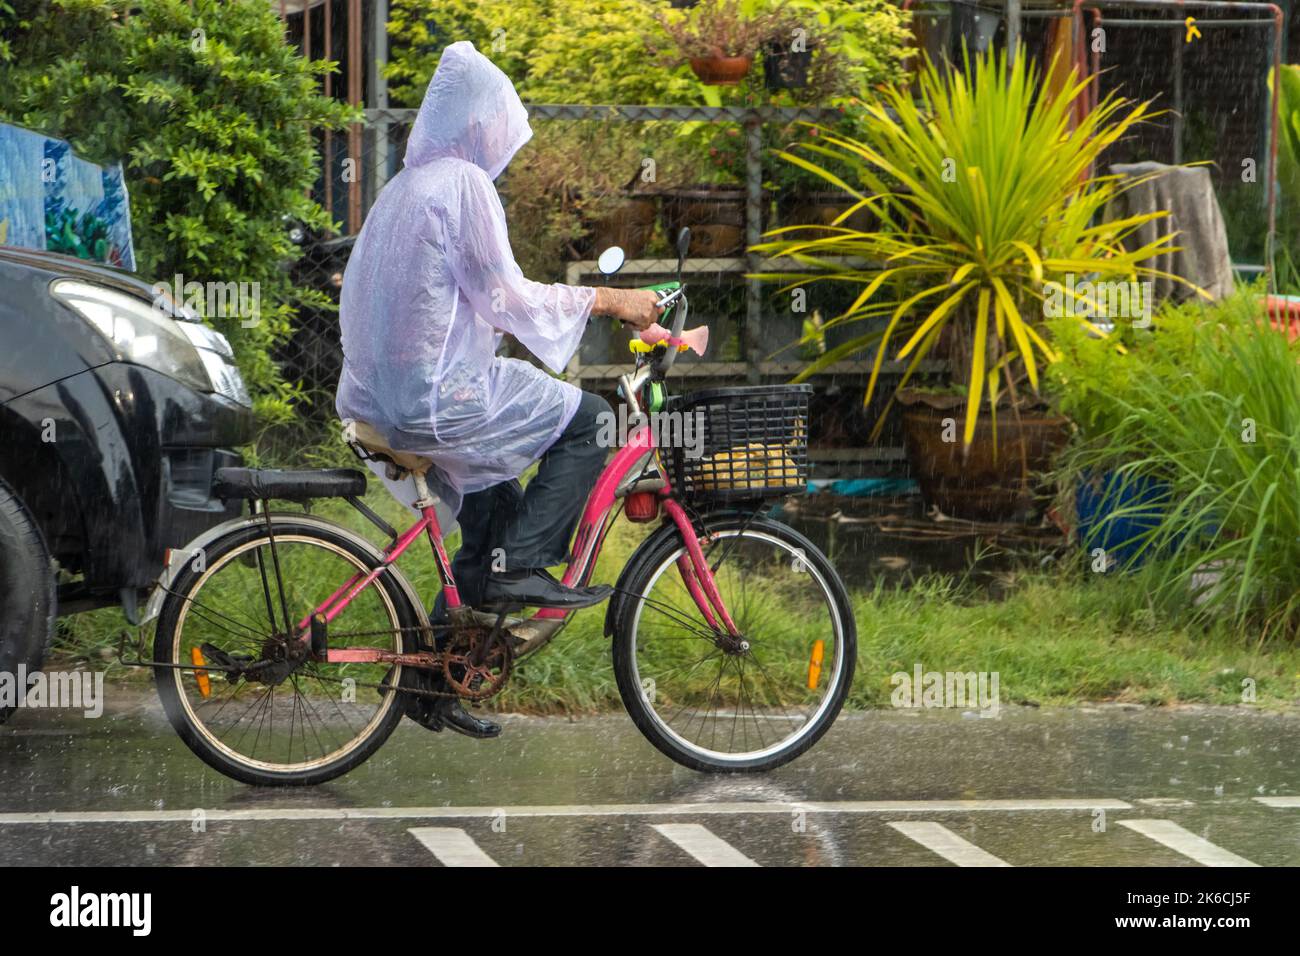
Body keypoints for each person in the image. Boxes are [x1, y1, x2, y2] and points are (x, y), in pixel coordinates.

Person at [336, 41, 661, 738]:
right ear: (476, 124)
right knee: (593, 421)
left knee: (496, 505)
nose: (496, 139)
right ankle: (523, 574)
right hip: (439, 401)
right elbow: (504, 294)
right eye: (493, 124)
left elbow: (446, 301)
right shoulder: (461, 184)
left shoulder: (404, 189)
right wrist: (610, 301)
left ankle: (433, 681)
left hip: (384, 398)